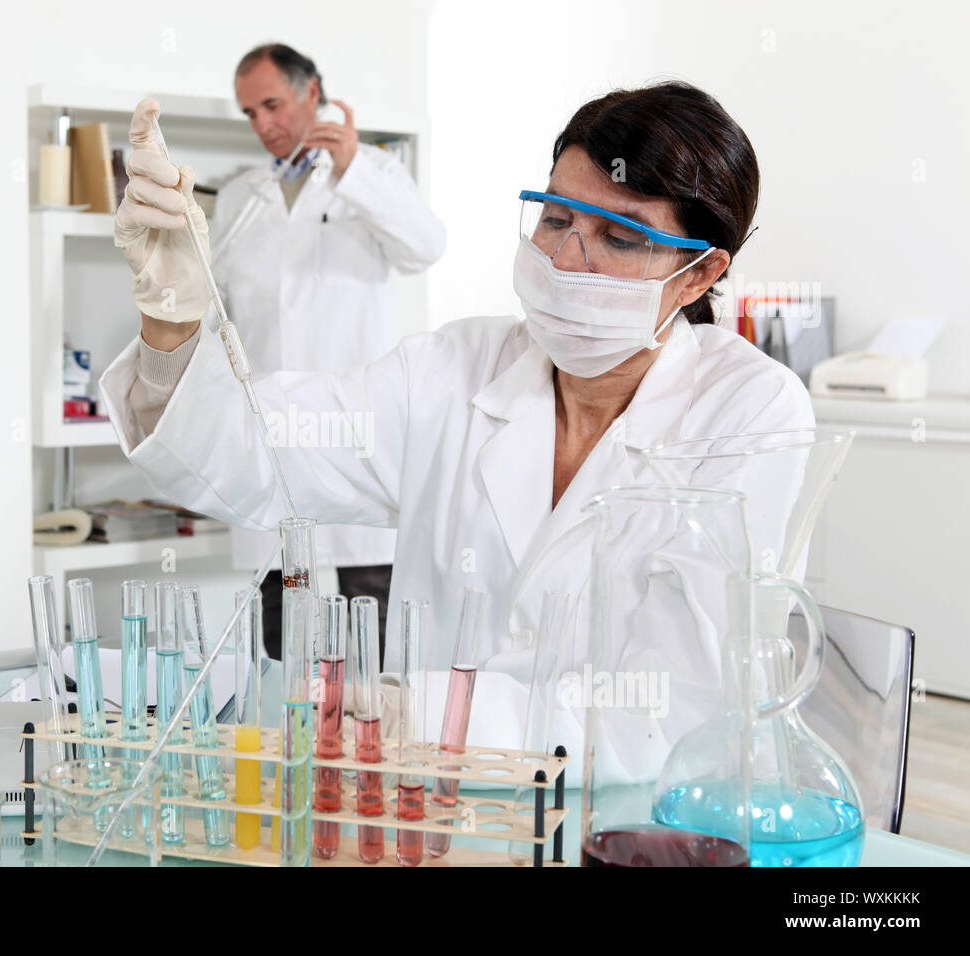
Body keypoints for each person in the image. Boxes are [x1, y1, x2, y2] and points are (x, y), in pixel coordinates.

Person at [107, 82, 813, 762]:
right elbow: (258, 449)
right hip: (431, 816)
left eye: (620, 238)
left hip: (624, 828)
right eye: (556, 217)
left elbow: (679, 704)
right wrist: (172, 321)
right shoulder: (455, 369)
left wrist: (434, 717)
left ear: (698, 274)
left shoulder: (749, 412)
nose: (567, 258)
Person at [204, 43, 446, 662]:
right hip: (269, 432)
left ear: (312, 92)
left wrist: (351, 171)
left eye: (272, 105)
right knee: (281, 605)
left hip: (353, 427)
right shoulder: (240, 198)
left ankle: (381, 742)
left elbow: (425, 246)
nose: (263, 125)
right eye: (250, 113)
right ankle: (293, 743)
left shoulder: (372, 175)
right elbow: (218, 307)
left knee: (372, 599)